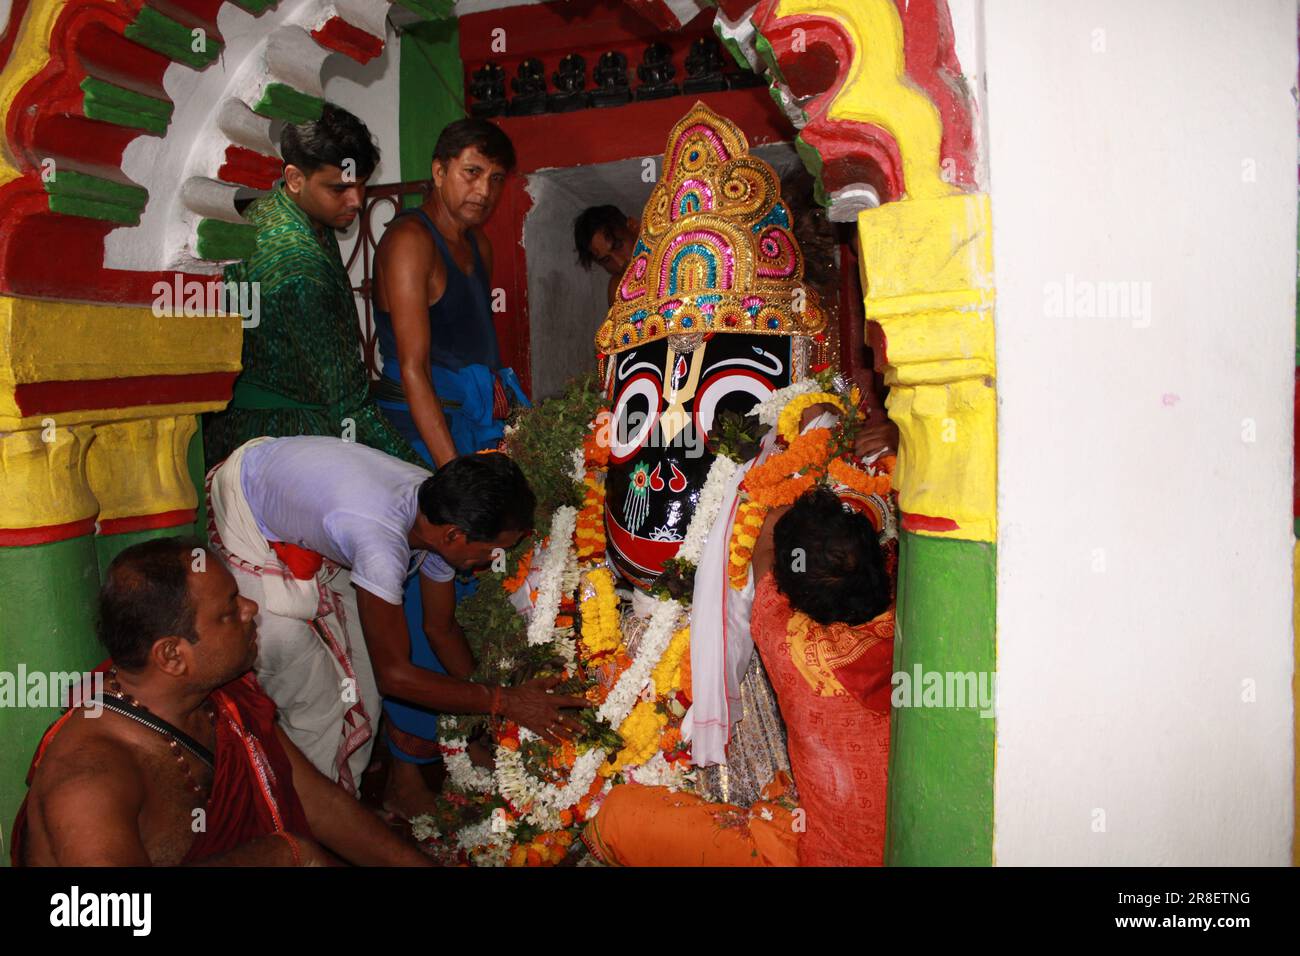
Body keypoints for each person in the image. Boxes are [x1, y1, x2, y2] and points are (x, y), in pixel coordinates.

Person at [206, 436, 587, 819]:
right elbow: (395, 677)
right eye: (493, 550)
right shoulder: (382, 545)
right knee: (312, 690)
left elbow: (440, 629)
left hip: (310, 506)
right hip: (246, 503)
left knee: (363, 692)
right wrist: (504, 701)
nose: (494, 560)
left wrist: (498, 707)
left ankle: (345, 802)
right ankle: (308, 821)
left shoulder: (436, 517)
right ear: (454, 536)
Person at [12, 538, 432, 866]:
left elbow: (317, 803)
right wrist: (277, 855)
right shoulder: (89, 781)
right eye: (229, 611)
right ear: (172, 656)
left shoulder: (222, 700)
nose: (250, 608)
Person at [583, 484, 896, 866]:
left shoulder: (794, 647)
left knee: (618, 818)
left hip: (818, 855)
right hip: (914, 837)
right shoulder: (914, 622)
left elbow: (765, 537)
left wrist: (782, 487)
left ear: (793, 592)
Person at [204, 102, 422, 468]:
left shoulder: (287, 209)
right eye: (339, 189)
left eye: (361, 186)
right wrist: (424, 477)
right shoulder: (297, 264)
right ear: (294, 178)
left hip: (257, 430)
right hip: (282, 445)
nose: (356, 201)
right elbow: (347, 406)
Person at [372, 117, 528, 466]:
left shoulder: (479, 244)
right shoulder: (410, 241)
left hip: (475, 424)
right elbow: (414, 368)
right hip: (421, 432)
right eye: (472, 172)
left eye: (496, 179)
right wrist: (454, 473)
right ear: (439, 172)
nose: (484, 191)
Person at [573, 205, 640, 305]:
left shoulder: (665, 250)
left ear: (633, 226)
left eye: (618, 245)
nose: (620, 263)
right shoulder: (618, 291)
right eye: (607, 260)